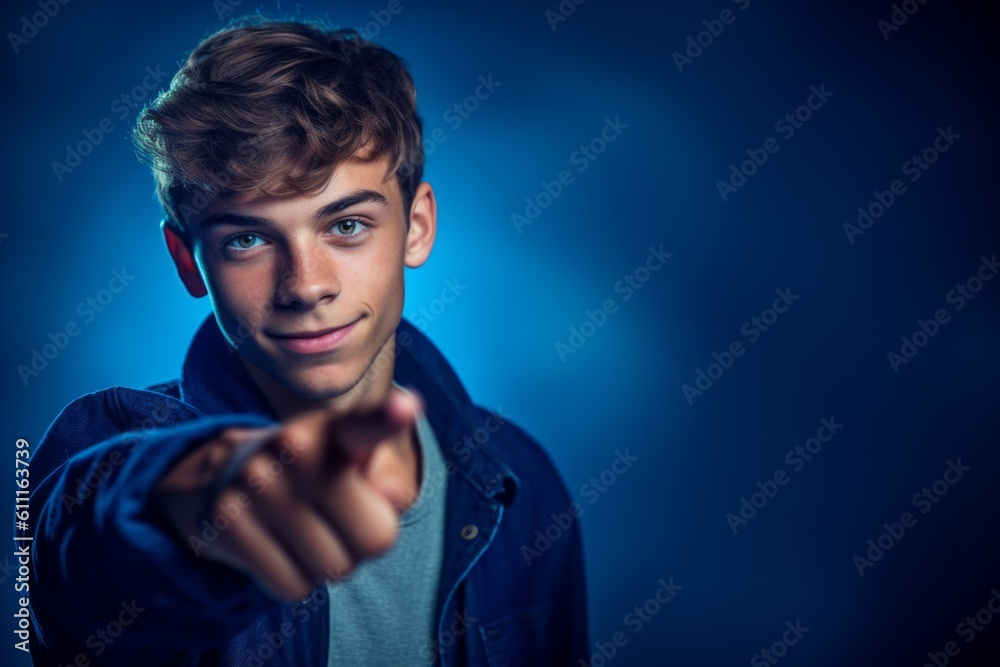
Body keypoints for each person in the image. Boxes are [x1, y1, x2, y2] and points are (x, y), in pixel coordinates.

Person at [24, 17, 587, 666]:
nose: (306, 285)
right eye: (247, 239)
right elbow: (83, 538)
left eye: (346, 225)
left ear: (417, 226)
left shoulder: (525, 481)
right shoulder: (111, 447)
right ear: (187, 260)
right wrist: (193, 501)